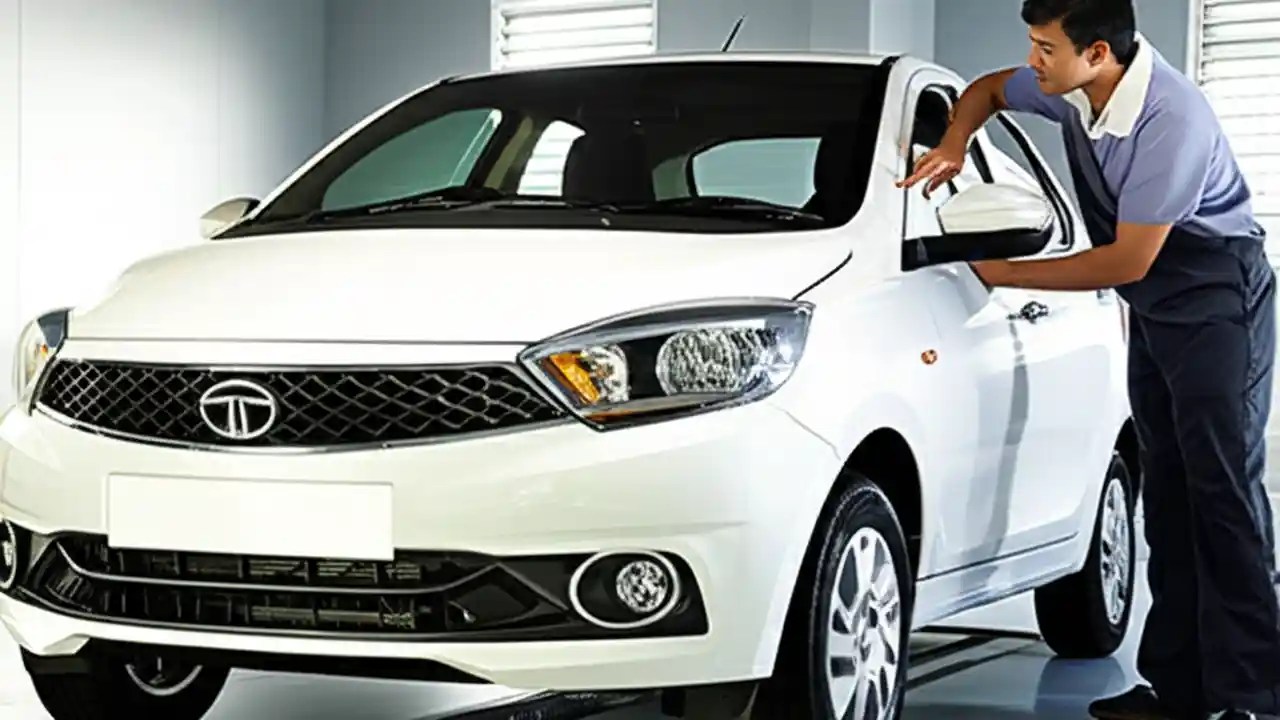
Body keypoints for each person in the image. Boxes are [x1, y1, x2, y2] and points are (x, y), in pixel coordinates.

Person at [898, 1, 1280, 718]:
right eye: (1032, 45)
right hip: (1161, 308)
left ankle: (1254, 696)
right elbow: (981, 90)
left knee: (1223, 495)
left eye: (1045, 47)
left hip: (1215, 295)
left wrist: (1007, 275)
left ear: (1097, 52)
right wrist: (954, 142)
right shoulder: (1071, 87)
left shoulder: (1172, 118)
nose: (1033, 61)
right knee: (1166, 495)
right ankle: (1180, 691)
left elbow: (1129, 260)